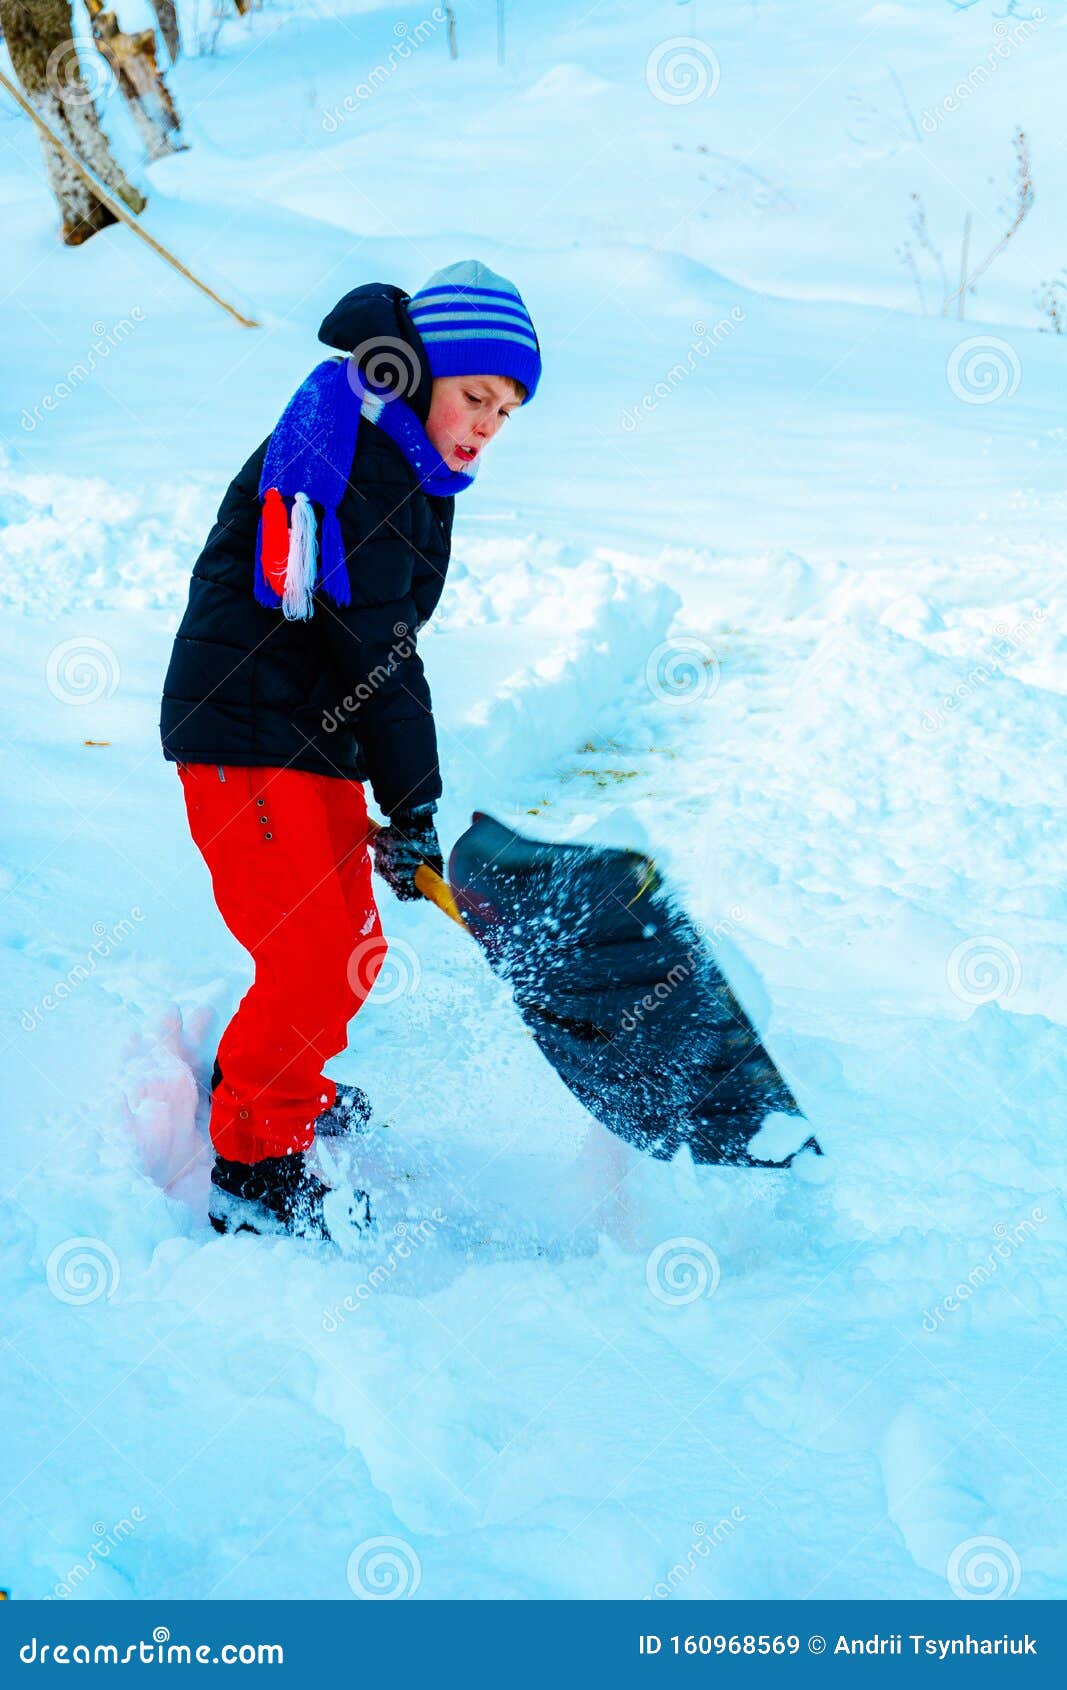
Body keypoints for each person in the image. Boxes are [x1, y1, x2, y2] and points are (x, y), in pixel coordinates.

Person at [159, 260, 541, 1241]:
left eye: (506, 411)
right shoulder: (365, 444)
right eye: (476, 395)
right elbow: (375, 639)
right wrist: (415, 802)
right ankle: (250, 1159)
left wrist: (395, 796)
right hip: (248, 729)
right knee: (312, 950)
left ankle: (266, 1081)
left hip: (303, 734)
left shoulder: (396, 453)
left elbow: (365, 637)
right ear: (421, 372)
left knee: (349, 947)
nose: (487, 425)